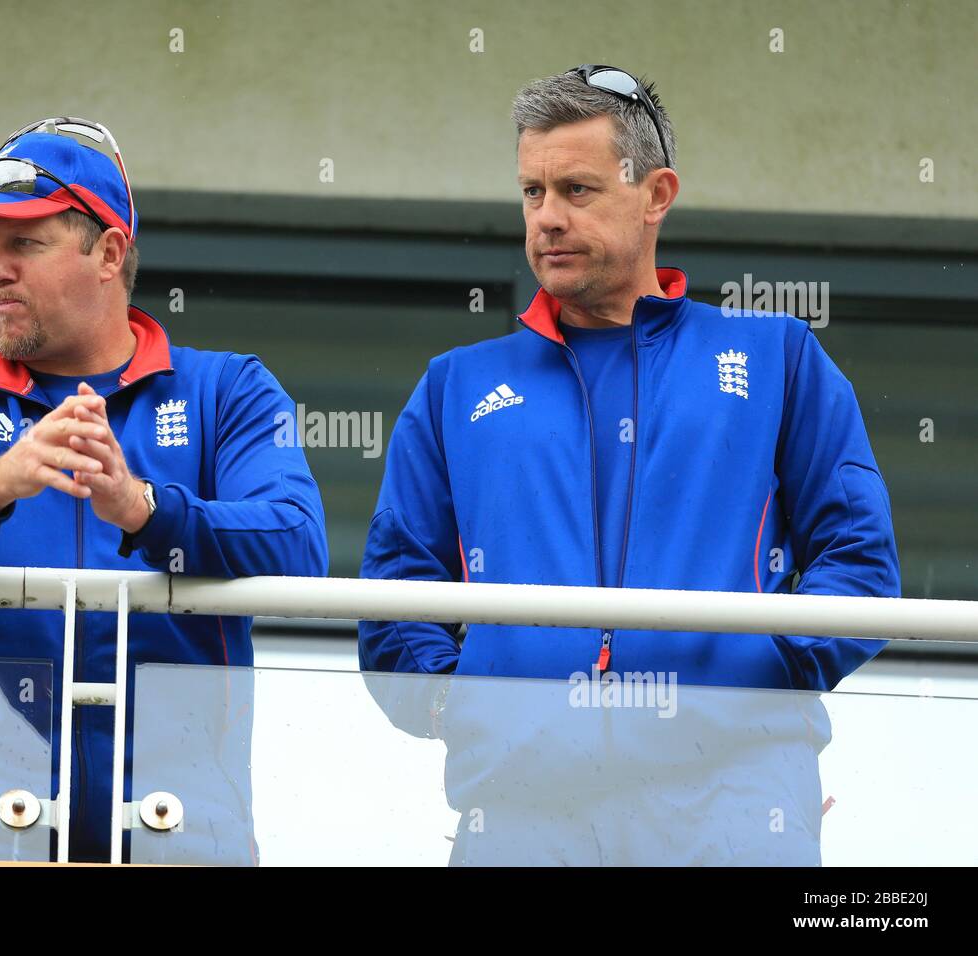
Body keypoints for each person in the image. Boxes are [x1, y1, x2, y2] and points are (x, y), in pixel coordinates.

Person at [357, 68, 900, 864]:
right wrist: (456, 703)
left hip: (732, 805)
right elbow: (395, 589)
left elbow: (860, 562)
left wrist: (765, 673)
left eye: (577, 189)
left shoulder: (777, 357)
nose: (547, 218)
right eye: (532, 193)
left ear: (657, 194)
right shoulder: (457, 385)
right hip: (519, 814)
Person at [0, 117, 328, 863]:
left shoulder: (230, 389)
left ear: (110, 252)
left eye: (25, 243)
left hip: (180, 835)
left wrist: (146, 511)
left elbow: (297, 545)